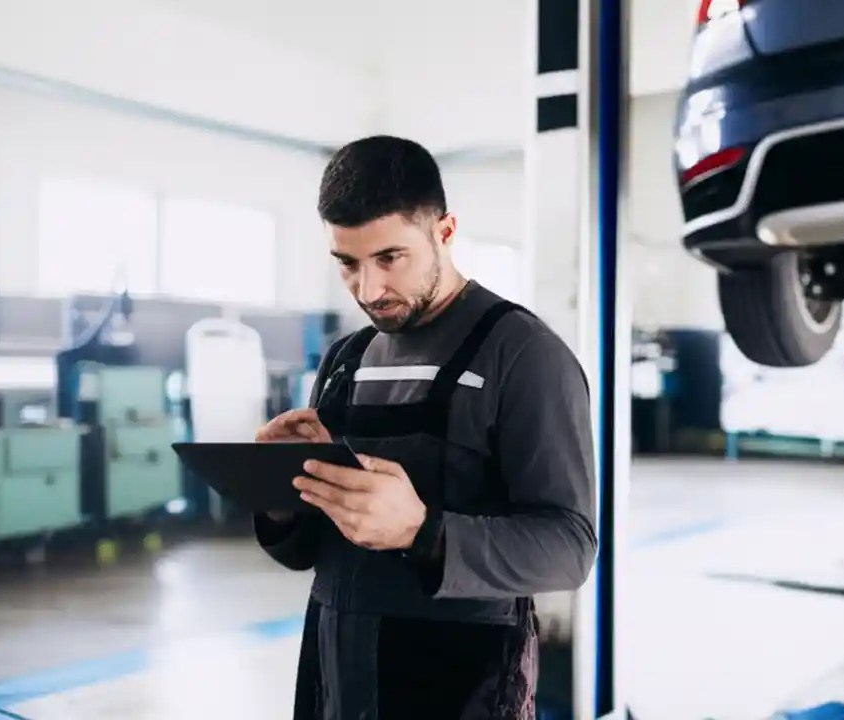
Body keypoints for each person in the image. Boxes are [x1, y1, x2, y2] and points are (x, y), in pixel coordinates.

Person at [253, 135, 597, 720]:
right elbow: (311, 550)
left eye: (390, 258)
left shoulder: (522, 354)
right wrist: (283, 497)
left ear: (444, 231)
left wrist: (423, 530)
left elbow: (570, 548)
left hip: (463, 682)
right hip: (337, 669)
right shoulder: (345, 361)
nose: (368, 290)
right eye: (348, 264)